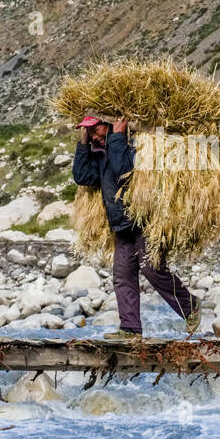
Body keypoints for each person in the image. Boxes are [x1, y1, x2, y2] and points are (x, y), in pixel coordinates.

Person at [72, 115, 201, 340]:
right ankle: (130, 329)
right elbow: (83, 177)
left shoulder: (134, 142)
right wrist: (83, 143)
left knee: (151, 268)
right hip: (122, 224)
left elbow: (125, 170)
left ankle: (190, 307)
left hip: (145, 219)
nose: (93, 135)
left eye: (96, 129)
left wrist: (118, 137)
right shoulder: (99, 152)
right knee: (122, 275)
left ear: (111, 123)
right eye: (88, 132)